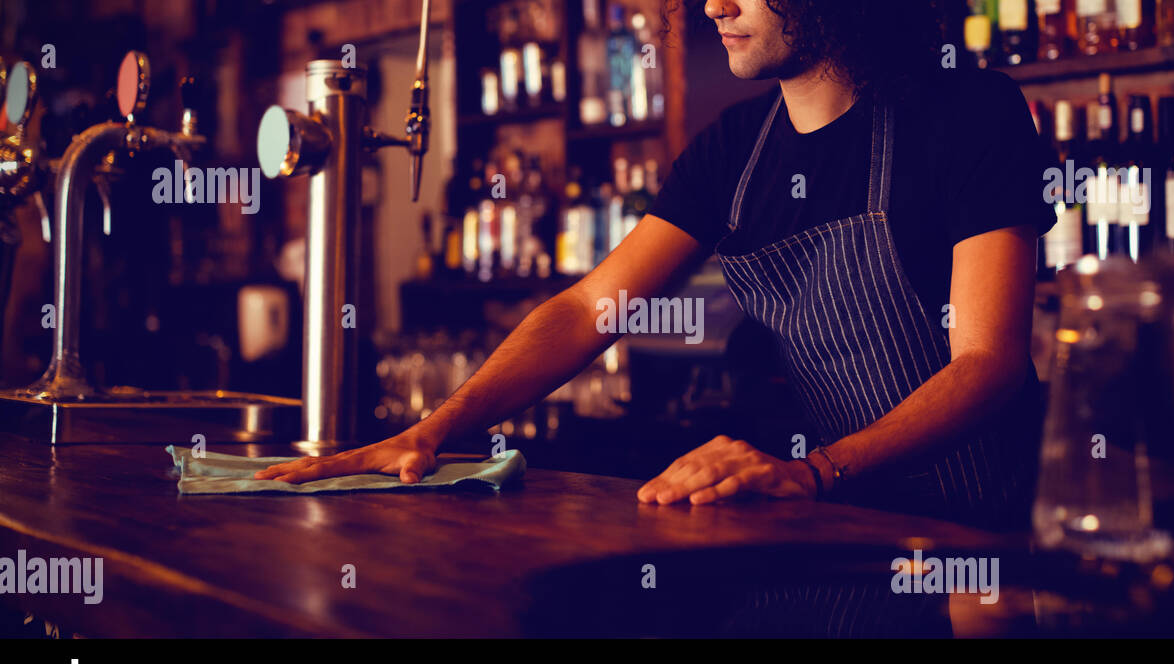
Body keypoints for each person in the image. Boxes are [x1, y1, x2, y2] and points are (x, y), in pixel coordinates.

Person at [256, 0, 1056, 531]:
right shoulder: (734, 152)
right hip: (826, 536)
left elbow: (989, 364)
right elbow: (585, 310)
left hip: (965, 544)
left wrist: (815, 471)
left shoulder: (966, 114)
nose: (714, 5)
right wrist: (433, 432)